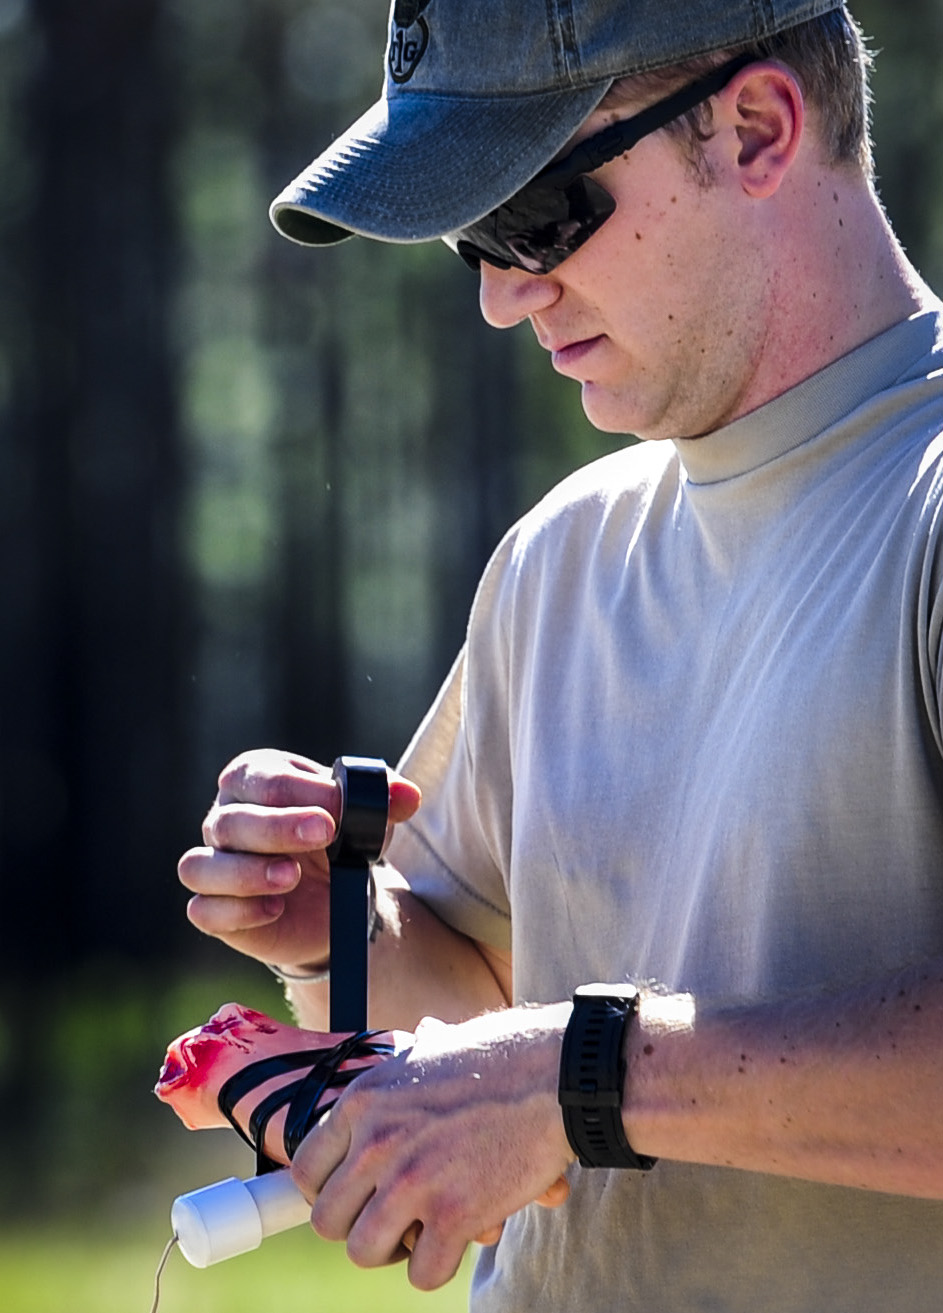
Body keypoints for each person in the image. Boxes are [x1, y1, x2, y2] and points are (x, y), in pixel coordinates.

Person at [177, 1, 943, 1308]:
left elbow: (546, 1069)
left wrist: (577, 1074)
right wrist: (336, 925)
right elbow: (486, 1015)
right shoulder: (559, 555)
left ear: (759, 129)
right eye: (473, 237)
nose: (498, 297)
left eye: (535, 216)